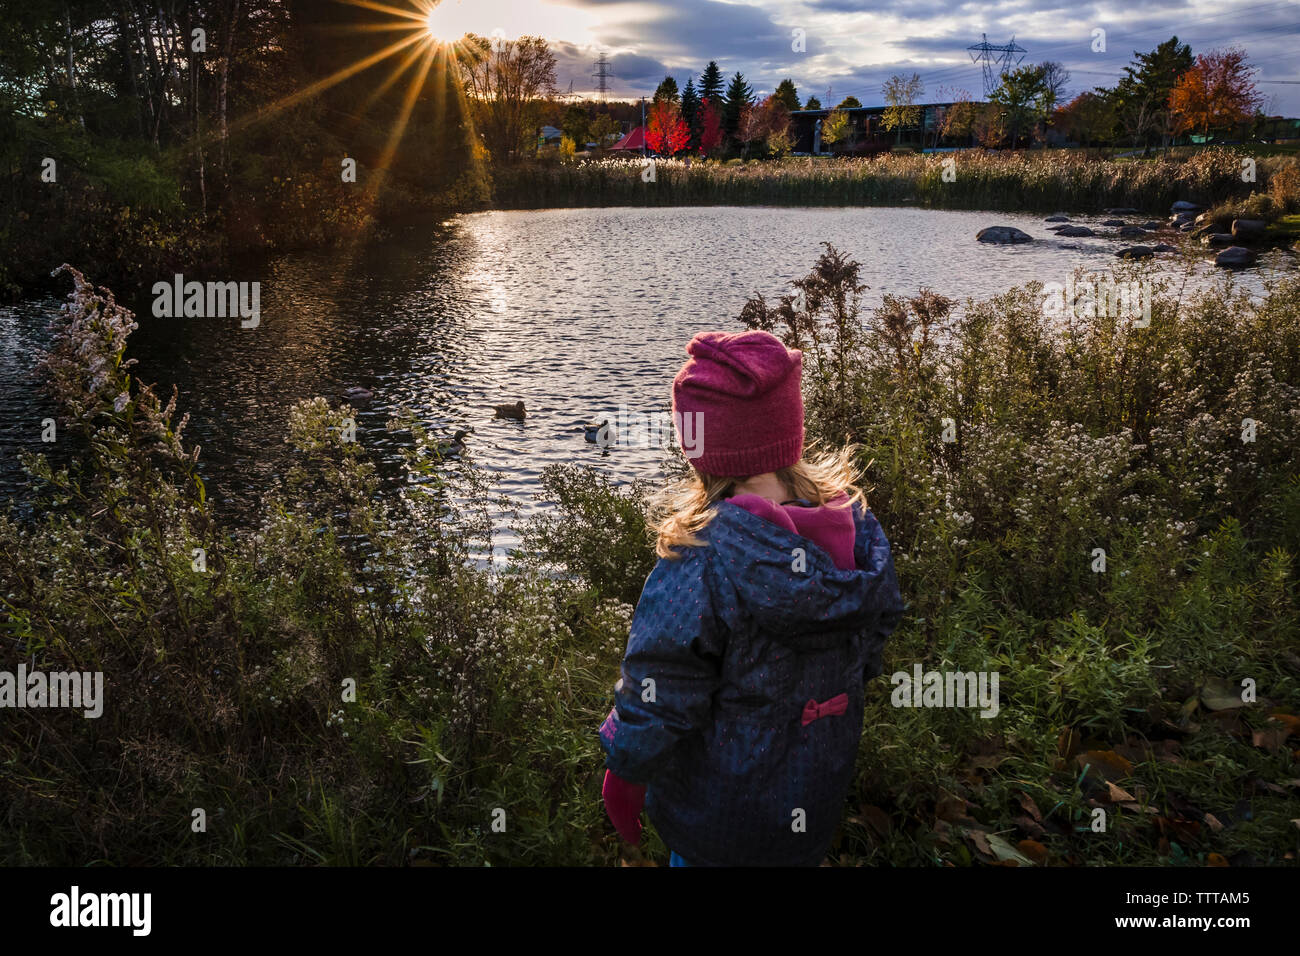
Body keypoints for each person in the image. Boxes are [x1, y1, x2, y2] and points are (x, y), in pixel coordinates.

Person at [597, 328, 904, 866]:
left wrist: (624, 769)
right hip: (811, 802)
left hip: (714, 822)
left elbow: (660, 687)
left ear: (700, 451)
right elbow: (873, 635)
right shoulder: (856, 532)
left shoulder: (703, 558)